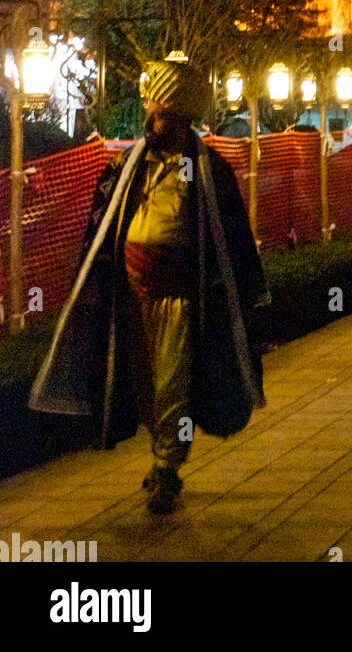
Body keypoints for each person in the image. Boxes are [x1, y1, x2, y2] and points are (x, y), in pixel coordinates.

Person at [30, 56, 269, 514]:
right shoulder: (127, 166)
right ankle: (161, 451)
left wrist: (243, 295)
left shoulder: (206, 170)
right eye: (153, 112)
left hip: (181, 300)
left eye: (163, 114)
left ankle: (167, 468)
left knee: (173, 386)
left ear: (181, 118)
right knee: (141, 386)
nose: (154, 121)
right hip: (130, 299)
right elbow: (102, 227)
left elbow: (229, 236)